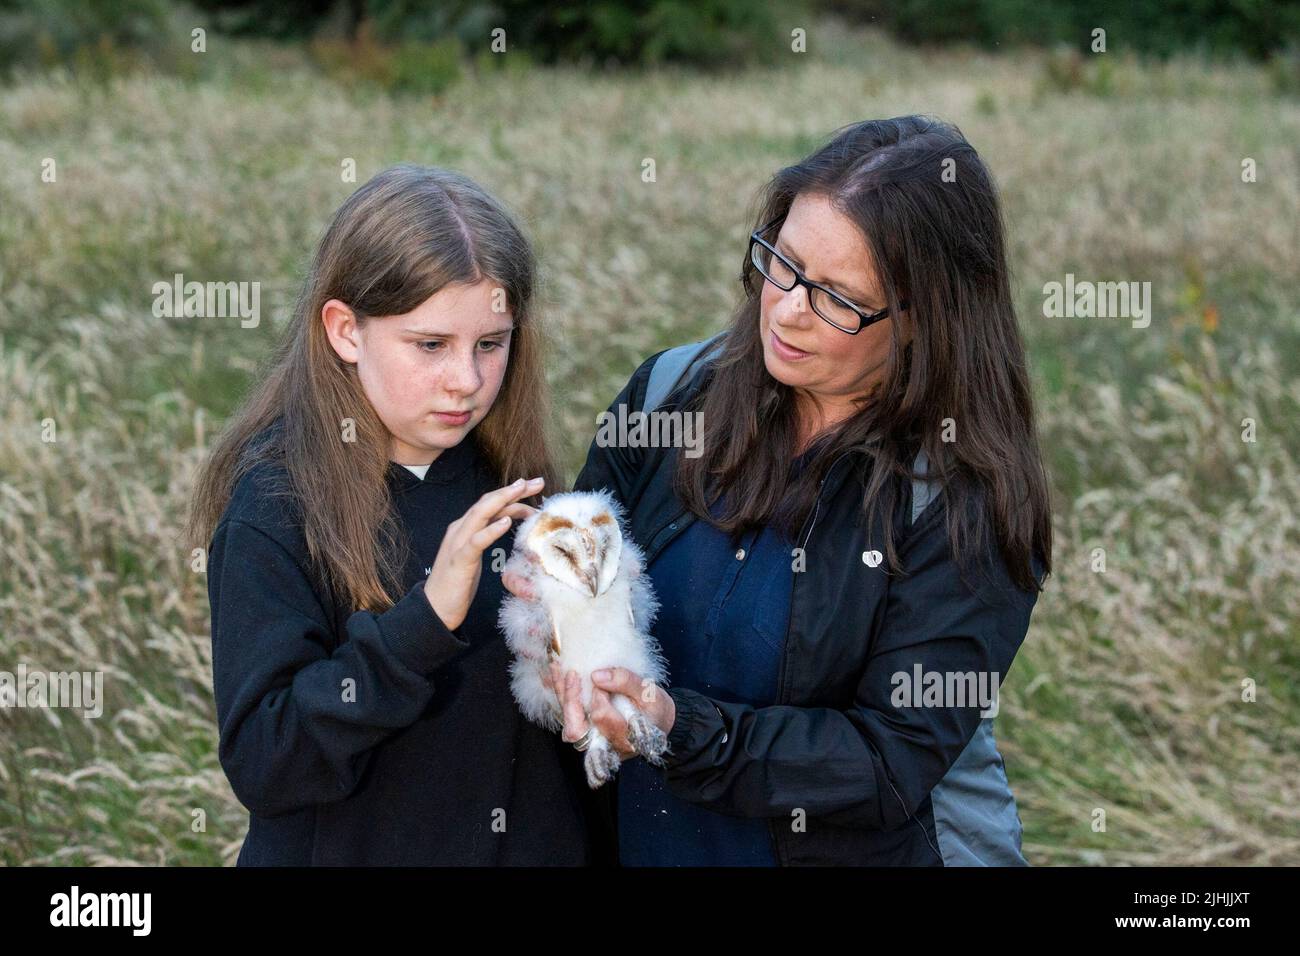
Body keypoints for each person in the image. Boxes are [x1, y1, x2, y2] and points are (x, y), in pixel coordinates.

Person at [509, 116, 1053, 865]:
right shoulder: (672, 394)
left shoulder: (966, 499)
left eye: (837, 297)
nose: (788, 309)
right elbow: (585, 560)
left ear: (927, 317)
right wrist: (544, 608)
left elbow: (887, 763)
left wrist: (681, 728)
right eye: (783, 263)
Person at [190, 164, 607, 865]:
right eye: (430, 345)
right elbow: (266, 760)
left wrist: (585, 673)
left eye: (490, 344)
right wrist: (421, 625)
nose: (467, 381)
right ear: (346, 331)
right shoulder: (277, 504)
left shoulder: (508, 476)